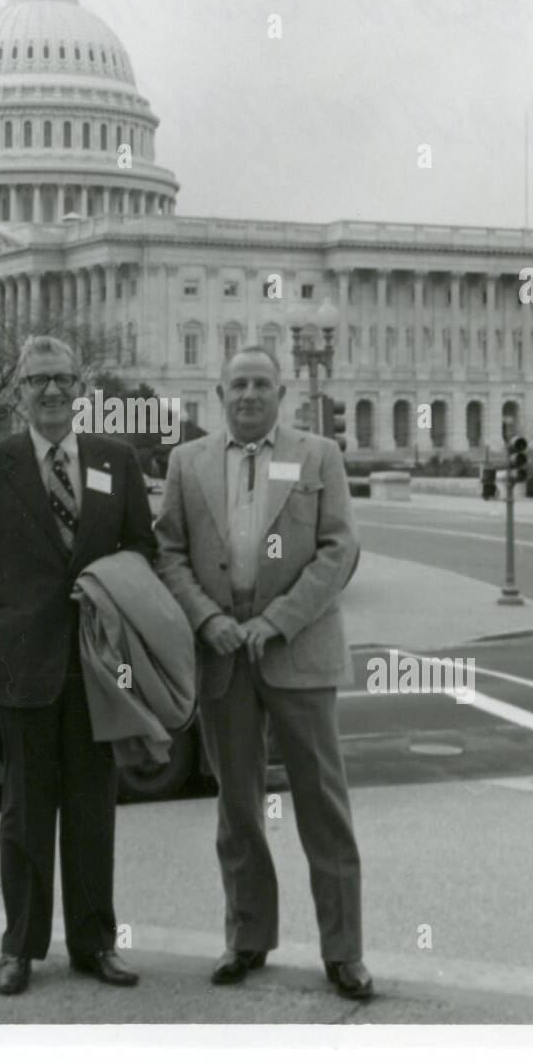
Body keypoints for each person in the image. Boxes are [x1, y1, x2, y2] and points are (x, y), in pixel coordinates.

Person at [154, 345, 372, 999]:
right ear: (219, 395)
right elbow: (168, 552)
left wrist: (276, 620)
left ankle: (344, 952)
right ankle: (246, 938)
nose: (249, 394)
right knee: (237, 807)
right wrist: (206, 620)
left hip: (297, 653)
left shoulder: (318, 455)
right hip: (223, 657)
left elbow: (339, 550)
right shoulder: (186, 463)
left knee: (323, 807)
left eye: (261, 384)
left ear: (282, 395)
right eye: (238, 384)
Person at [0, 335, 155, 996]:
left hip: (96, 666)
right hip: (18, 665)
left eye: (63, 378)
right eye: (38, 380)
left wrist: (112, 604)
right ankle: (20, 949)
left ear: (81, 387)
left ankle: (95, 945)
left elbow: (141, 554)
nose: (53, 390)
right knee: (25, 815)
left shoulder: (116, 462)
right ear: (19, 393)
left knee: (95, 812)